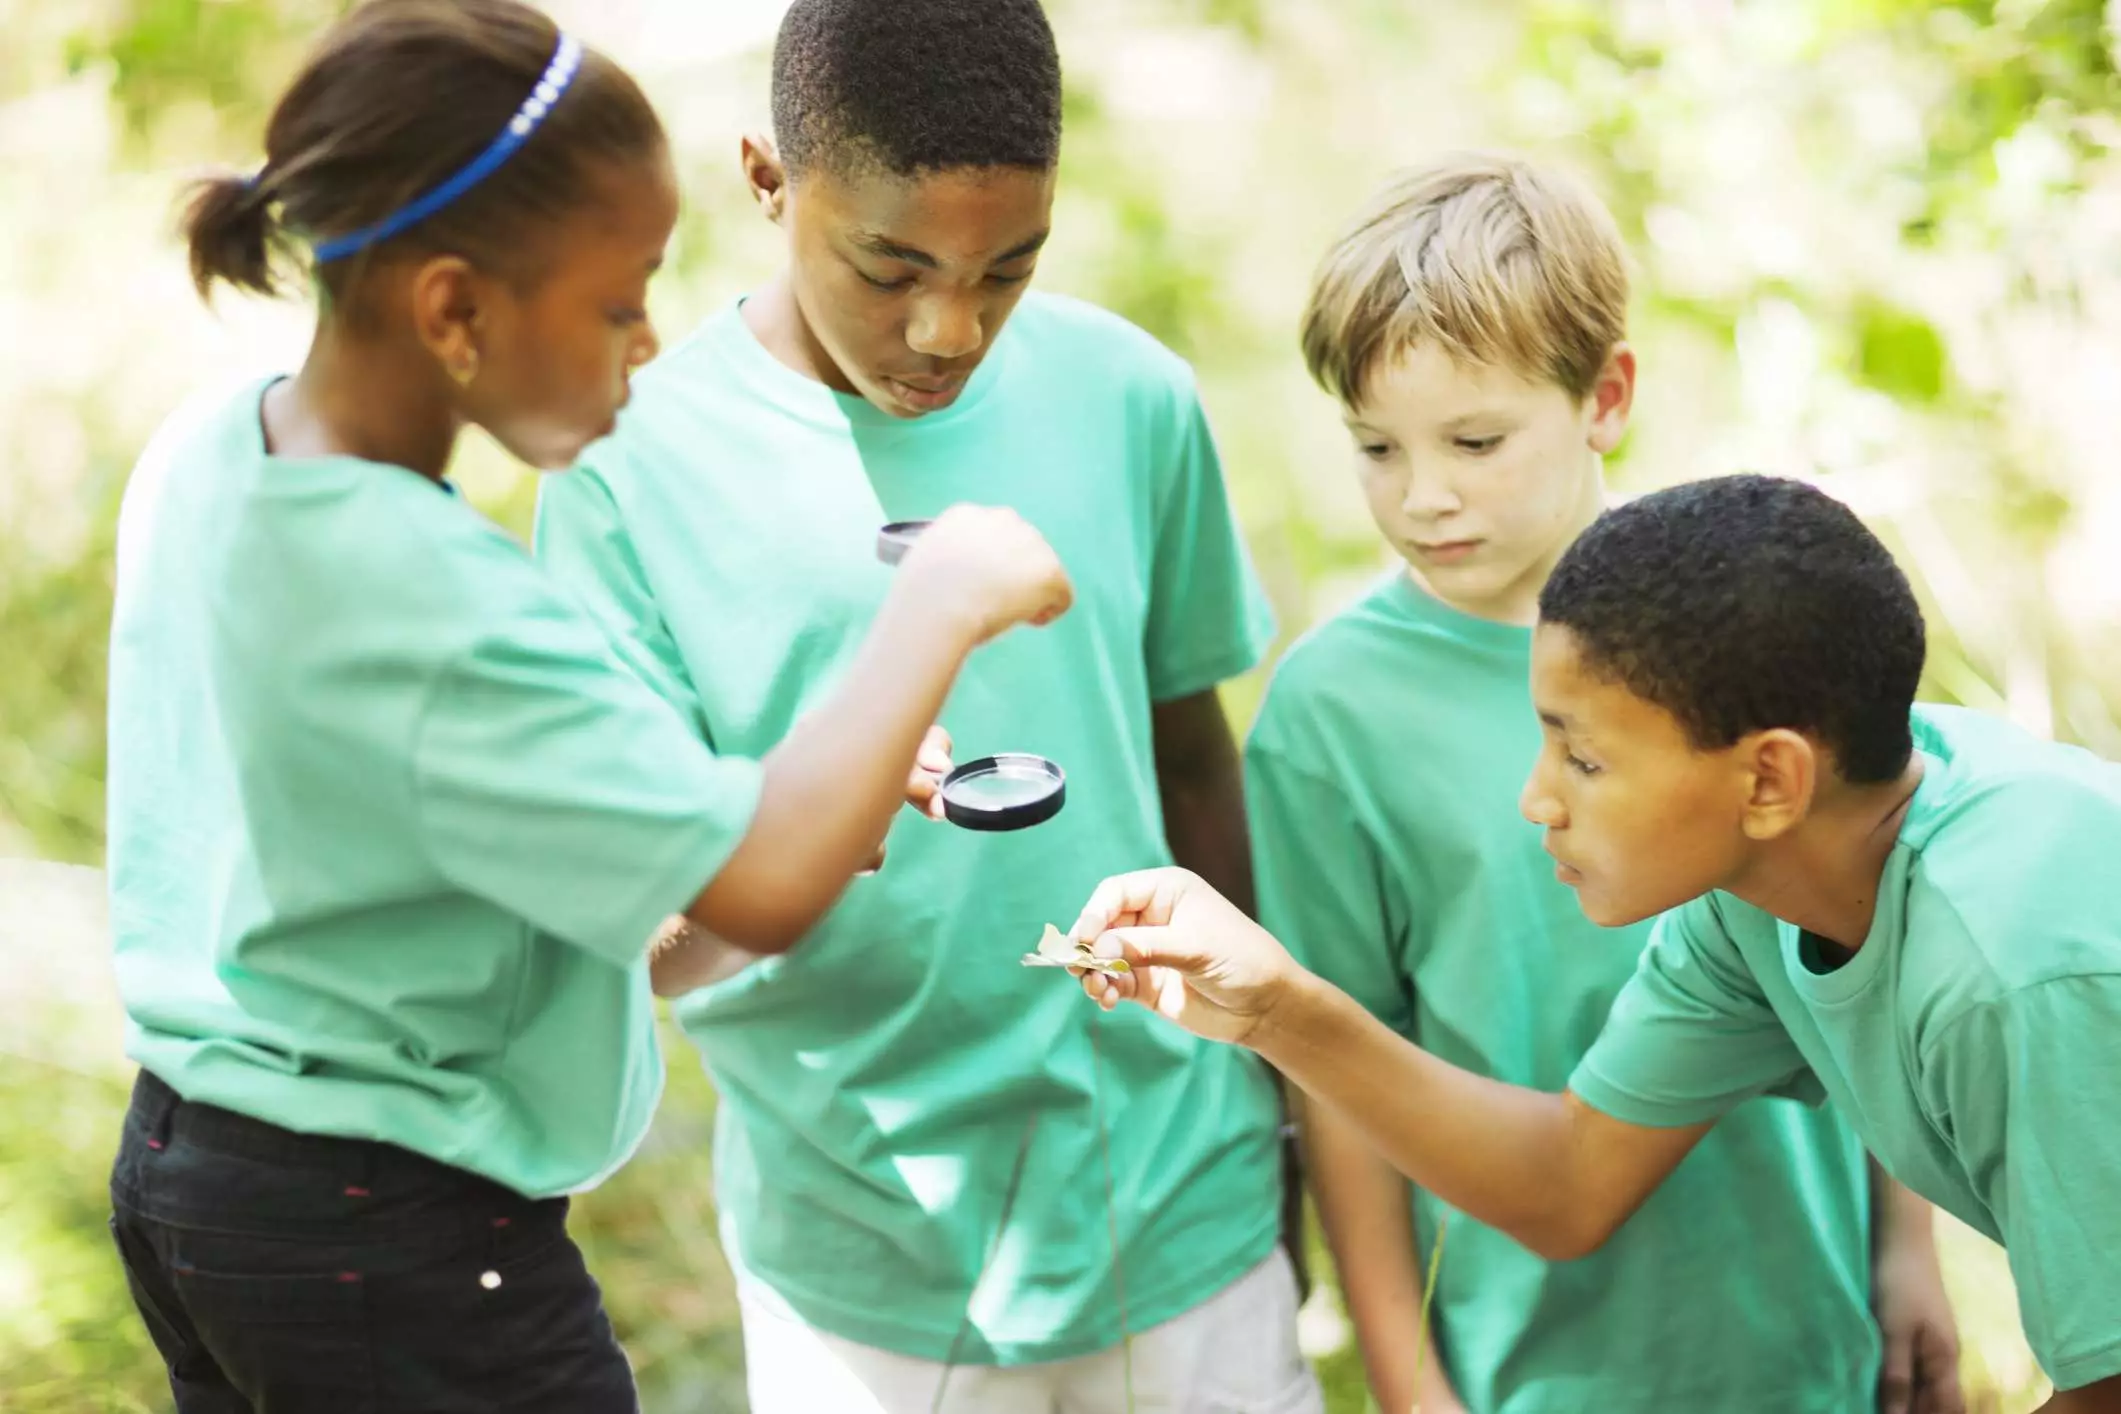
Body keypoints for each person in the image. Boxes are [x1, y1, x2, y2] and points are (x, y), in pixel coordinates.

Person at [104, 3, 1071, 1410]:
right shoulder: (434, 597)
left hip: (202, 1185)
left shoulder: (212, 450)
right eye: (618, 298)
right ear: (454, 308)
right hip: (399, 1233)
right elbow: (768, 881)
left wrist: (822, 787)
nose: (647, 339)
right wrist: (940, 604)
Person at [533, 1, 1316, 1409]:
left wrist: (1291, 1129)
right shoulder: (624, 469)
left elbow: (1196, 768)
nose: (946, 327)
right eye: (890, 266)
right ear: (769, 179)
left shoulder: (1130, 396)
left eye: (1006, 269)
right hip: (865, 1264)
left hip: (1186, 1222)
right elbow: (619, 935)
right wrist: (799, 833)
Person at [1073, 473, 2121, 1413]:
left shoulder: (2015, 962)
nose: (1537, 798)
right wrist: (1276, 1009)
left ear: (1769, 779)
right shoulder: (1757, 897)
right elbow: (1570, 1182)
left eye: (1582, 759)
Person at [1249, 155, 1957, 1414]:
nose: (1423, 494)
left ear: (1605, 395)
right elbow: (1344, 1070)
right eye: (1374, 446)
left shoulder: (1751, 608)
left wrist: (1907, 1254)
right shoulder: (1328, 714)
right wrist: (1410, 1385)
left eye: (1475, 439)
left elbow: (1866, 933)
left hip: (1803, 1317)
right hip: (1533, 1354)